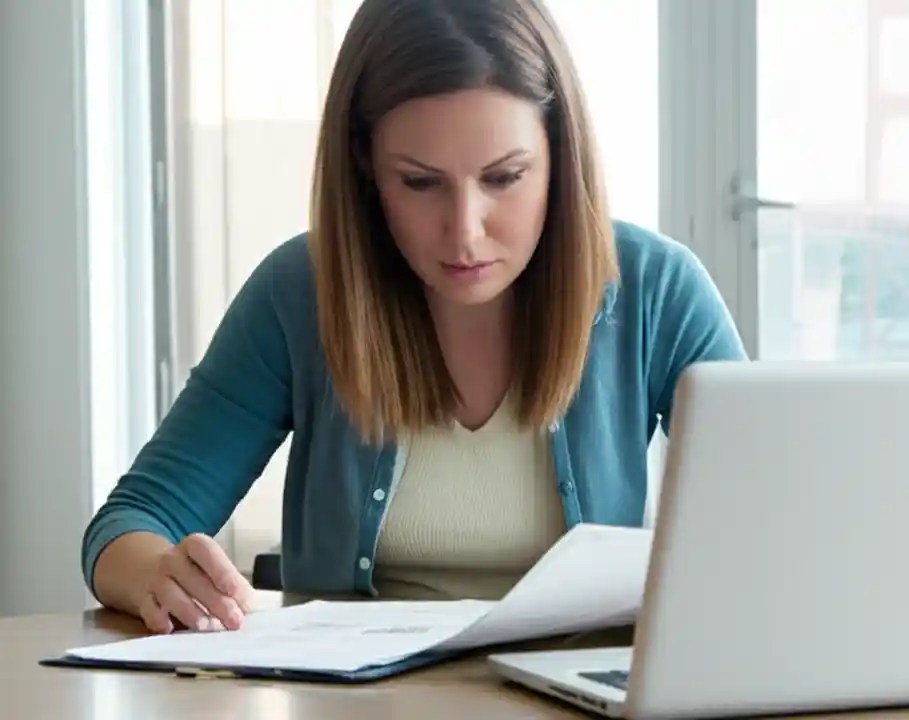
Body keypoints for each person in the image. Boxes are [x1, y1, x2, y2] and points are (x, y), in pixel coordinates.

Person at [81, 0, 745, 635]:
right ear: (366, 164)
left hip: (575, 690)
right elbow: (133, 520)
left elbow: (766, 527)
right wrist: (157, 575)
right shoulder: (301, 292)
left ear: (558, 156)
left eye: (505, 178)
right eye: (420, 183)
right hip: (358, 695)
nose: (465, 232)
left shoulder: (656, 290)